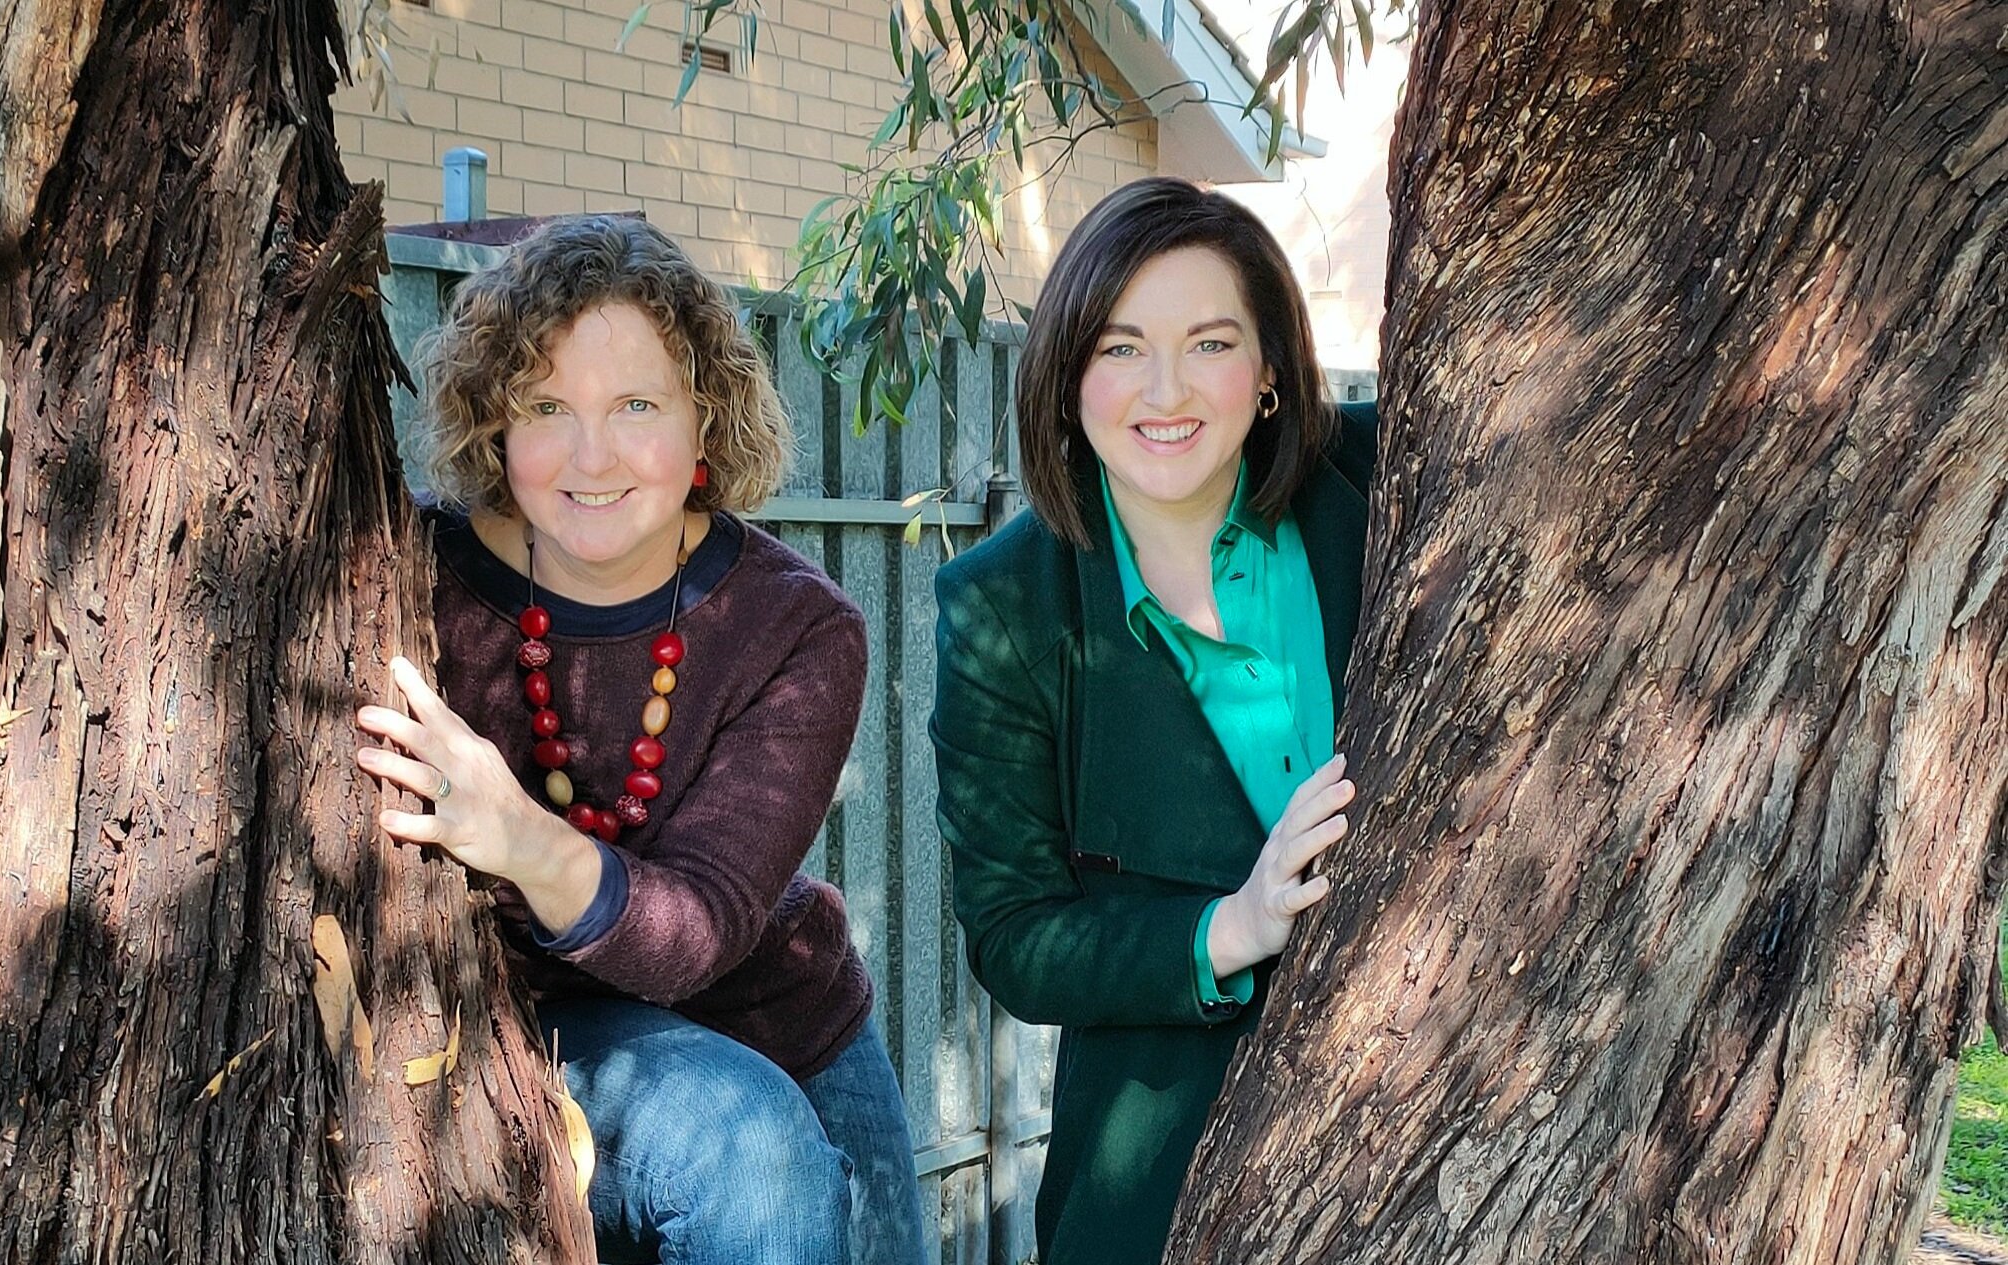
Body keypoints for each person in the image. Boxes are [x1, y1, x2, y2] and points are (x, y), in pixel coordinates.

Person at [355, 214, 925, 1265]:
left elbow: (697, 926)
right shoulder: (402, 569)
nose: (592, 455)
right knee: (750, 1153)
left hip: (781, 1020)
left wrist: (516, 833)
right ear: (493, 422)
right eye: (545, 406)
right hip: (539, 1020)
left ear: (706, 420)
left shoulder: (797, 627)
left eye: (636, 405)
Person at [930, 177, 1377, 1264]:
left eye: (1211, 342)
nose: (1164, 389)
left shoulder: (1387, 474)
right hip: (1169, 1157)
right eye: (1121, 347)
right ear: (1068, 375)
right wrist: (1234, 924)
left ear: (1270, 370)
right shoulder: (1002, 603)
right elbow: (1014, 932)